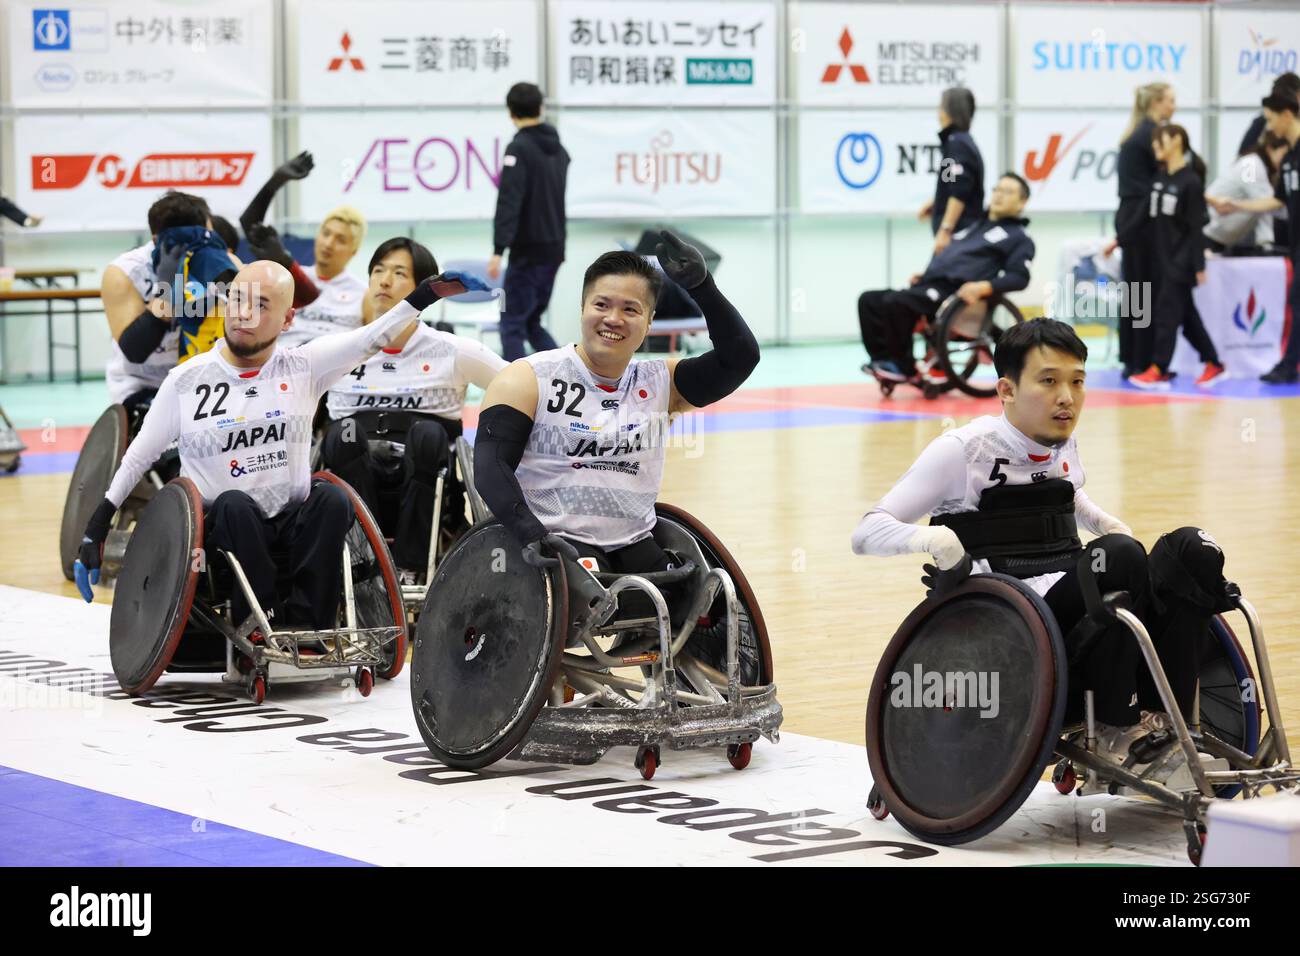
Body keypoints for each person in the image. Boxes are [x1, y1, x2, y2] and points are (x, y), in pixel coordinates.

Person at [850, 319, 1200, 769]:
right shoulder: (963, 450)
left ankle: (1170, 720)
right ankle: (1117, 727)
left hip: (1065, 586)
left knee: (1190, 552)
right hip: (1008, 616)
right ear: (1007, 390)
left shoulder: (1062, 440)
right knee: (1120, 560)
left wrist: (1101, 520)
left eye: (1077, 382)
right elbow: (867, 532)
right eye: (1049, 381)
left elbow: (1066, 493)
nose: (1067, 397)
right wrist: (936, 538)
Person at [73, 260, 484, 631]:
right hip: (222, 533)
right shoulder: (186, 380)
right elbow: (138, 457)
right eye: (237, 299)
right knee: (235, 505)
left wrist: (426, 294)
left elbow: (372, 338)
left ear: (287, 319)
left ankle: (308, 630)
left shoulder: (303, 366)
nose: (245, 313)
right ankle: (260, 623)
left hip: (291, 525)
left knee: (332, 501)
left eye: (262, 304)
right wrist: (96, 529)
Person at [473, 232, 758, 577]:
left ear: (650, 321)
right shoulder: (527, 377)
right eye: (602, 305)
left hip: (634, 542)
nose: (613, 319)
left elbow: (740, 357)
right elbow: (490, 470)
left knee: (703, 598)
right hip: (556, 540)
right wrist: (532, 535)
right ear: (582, 309)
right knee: (589, 594)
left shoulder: (661, 382)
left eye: (630, 309)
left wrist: (702, 287)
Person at [321, 237, 507, 581]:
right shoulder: (338, 350)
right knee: (343, 434)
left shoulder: (453, 349)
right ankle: (366, 561)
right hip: (353, 470)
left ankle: (411, 566)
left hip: (426, 472)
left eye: (398, 272)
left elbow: (519, 383)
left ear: (424, 287)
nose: (385, 280)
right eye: (378, 270)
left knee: (426, 432)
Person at [859, 173, 1035, 384]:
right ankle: (883, 361)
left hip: (954, 294)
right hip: (930, 284)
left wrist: (983, 287)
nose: (998, 195)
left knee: (896, 303)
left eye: (1007, 192)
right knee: (868, 300)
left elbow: (1019, 277)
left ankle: (903, 367)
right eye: (997, 189)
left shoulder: (1019, 238)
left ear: (1022, 201)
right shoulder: (974, 223)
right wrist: (926, 275)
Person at [100, 191, 237, 412]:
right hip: (143, 385)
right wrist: (168, 289)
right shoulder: (125, 271)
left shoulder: (219, 262)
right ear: (157, 241)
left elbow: (250, 319)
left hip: (204, 379)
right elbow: (135, 350)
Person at [1210, 89, 1300, 384]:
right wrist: (1236, 205)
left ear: (1287, 114)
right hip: (1296, 249)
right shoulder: (1289, 160)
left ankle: (1288, 366)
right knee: (1295, 304)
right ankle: (1288, 366)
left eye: (1271, 119)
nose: (1269, 127)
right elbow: (1277, 201)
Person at [1128, 125, 1225, 390]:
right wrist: (1119, 239)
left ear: (1177, 141)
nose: (1156, 145)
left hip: (1180, 262)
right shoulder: (1159, 178)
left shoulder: (1191, 182)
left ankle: (1159, 368)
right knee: (1187, 318)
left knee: (1165, 315)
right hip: (1160, 260)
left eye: (1162, 140)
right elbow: (1146, 217)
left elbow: (1196, 229)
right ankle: (1214, 362)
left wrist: (1198, 265)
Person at [488, 82, 571, 362]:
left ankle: (513, 393)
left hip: (527, 253)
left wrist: (499, 249)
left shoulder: (519, 149)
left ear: (511, 112)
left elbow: (509, 202)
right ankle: (571, 373)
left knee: (511, 323)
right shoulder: (558, 150)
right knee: (532, 321)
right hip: (554, 250)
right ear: (541, 108)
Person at [1114, 82, 1176, 377]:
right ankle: (1141, 360)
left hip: (1134, 220)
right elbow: (1153, 187)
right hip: (1141, 223)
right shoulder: (1150, 136)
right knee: (1143, 293)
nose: (1174, 107)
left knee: (1137, 292)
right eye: (1170, 101)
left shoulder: (1139, 134)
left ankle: (1134, 357)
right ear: (1156, 103)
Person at [245, 202, 369, 348]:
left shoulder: (363, 294)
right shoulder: (286, 277)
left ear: (354, 251)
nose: (329, 244)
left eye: (340, 240)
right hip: (279, 359)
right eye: (326, 233)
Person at [918, 87, 984, 256]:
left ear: (949, 112)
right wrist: (936, 203)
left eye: (941, 108)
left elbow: (959, 191)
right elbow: (951, 183)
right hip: (958, 234)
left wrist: (946, 230)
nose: (938, 113)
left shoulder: (958, 144)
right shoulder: (954, 142)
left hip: (958, 235)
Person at [1204, 131, 1289, 253]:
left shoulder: (1264, 168)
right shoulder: (1250, 165)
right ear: (1270, 148)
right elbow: (1264, 204)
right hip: (1210, 233)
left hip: (1222, 237)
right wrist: (1266, 243)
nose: (1285, 160)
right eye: (1284, 154)